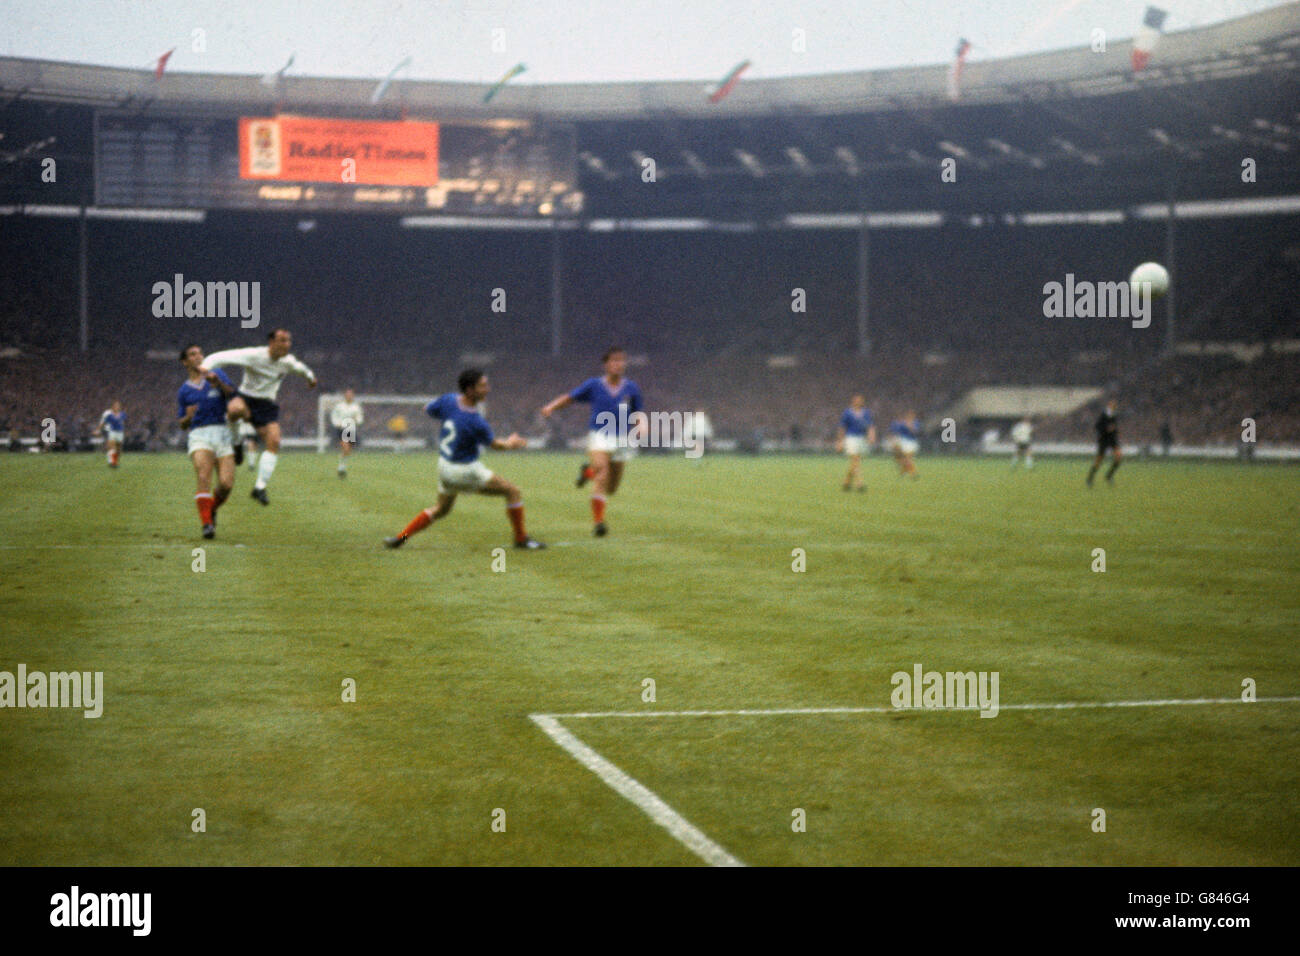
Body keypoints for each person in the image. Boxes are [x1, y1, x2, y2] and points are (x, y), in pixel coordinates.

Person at [385, 369, 544, 550]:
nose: (487, 389)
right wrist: (511, 443)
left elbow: (428, 409)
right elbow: (496, 445)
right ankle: (521, 539)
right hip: (464, 470)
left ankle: (401, 538)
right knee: (512, 491)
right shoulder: (475, 421)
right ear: (470, 390)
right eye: (483, 386)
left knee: (441, 509)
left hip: (444, 467)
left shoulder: (448, 400)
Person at [202, 328, 318, 506]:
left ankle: (260, 487)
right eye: (282, 340)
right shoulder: (254, 355)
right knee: (234, 409)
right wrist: (206, 366)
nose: (286, 344)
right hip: (246, 398)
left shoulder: (287, 362)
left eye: (288, 341)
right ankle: (236, 444)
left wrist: (310, 377)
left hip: (266, 405)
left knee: (274, 441)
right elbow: (222, 357)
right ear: (271, 342)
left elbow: (301, 369)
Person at [541, 347, 643, 537]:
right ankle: (599, 523)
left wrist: (641, 426)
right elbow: (570, 398)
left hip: (621, 438)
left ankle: (587, 472)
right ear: (606, 364)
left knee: (611, 488)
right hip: (599, 435)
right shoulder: (594, 385)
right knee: (602, 476)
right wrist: (551, 406)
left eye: (621, 360)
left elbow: (637, 412)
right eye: (614, 360)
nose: (618, 364)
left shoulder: (631, 388)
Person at [176, 345, 239, 539]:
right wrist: (187, 418)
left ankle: (210, 510)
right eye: (193, 354)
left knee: (226, 484)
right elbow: (182, 424)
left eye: (200, 353)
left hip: (222, 432)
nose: (198, 357)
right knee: (204, 477)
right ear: (185, 362)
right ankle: (207, 525)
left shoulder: (216, 374)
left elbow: (233, 395)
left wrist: (218, 382)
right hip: (199, 434)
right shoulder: (184, 391)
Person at [836, 395, 875, 491]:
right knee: (855, 460)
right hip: (851, 438)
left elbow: (870, 426)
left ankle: (846, 482)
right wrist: (840, 441)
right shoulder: (847, 413)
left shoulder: (866, 413)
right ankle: (859, 483)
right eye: (857, 400)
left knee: (855, 462)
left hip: (861, 438)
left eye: (860, 400)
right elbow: (842, 427)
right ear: (853, 402)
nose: (858, 402)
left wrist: (871, 436)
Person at [330, 388, 364, 478]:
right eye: (347, 394)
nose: (349, 396)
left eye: (351, 394)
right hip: (341, 428)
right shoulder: (339, 406)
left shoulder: (356, 407)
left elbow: (359, 417)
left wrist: (358, 421)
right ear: (345, 396)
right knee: (345, 447)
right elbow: (334, 415)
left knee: (348, 450)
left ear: (353, 396)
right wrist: (337, 423)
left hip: (350, 428)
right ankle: (341, 468)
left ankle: (342, 465)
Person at [1087, 399, 1122, 486]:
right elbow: (1097, 427)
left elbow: (1114, 427)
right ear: (1109, 406)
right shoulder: (1103, 416)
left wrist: (1114, 431)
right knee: (1099, 460)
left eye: (1115, 405)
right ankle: (1090, 479)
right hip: (1104, 439)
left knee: (1118, 456)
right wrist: (1106, 429)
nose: (1114, 406)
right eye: (1112, 405)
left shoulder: (1114, 415)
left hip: (1112, 439)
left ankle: (1109, 476)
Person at [887, 411, 921, 479]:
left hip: (912, 442)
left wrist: (910, 426)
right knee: (905, 459)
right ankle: (908, 472)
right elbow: (896, 432)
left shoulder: (916, 423)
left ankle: (912, 473)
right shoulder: (902, 423)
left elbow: (915, 432)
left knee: (908, 459)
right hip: (903, 442)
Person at [99, 400, 126, 468]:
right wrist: (98, 429)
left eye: (118, 406)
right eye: (115, 406)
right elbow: (104, 422)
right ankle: (114, 463)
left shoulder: (123, 414)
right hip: (112, 432)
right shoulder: (110, 415)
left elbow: (123, 422)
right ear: (113, 407)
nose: (117, 407)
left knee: (119, 449)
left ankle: (116, 461)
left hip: (120, 432)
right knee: (113, 447)